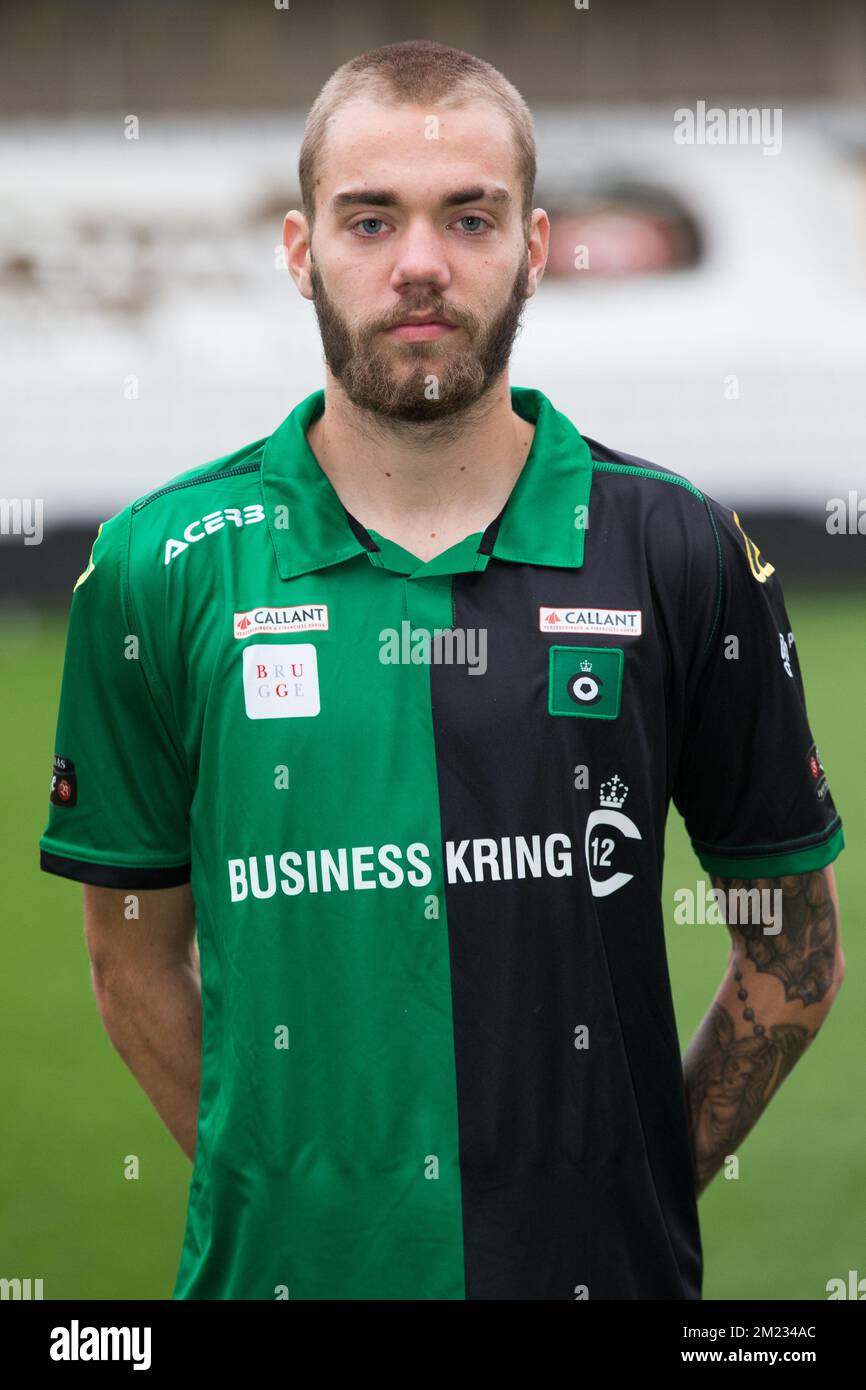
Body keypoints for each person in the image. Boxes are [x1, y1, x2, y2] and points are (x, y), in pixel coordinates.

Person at [39, 39, 845, 1300]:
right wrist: (297, 1198)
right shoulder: (156, 567)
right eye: (371, 219)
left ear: (531, 248)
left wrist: (616, 1197)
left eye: (467, 217)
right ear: (301, 250)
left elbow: (789, 952)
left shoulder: (681, 551)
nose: (419, 262)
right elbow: (128, 953)